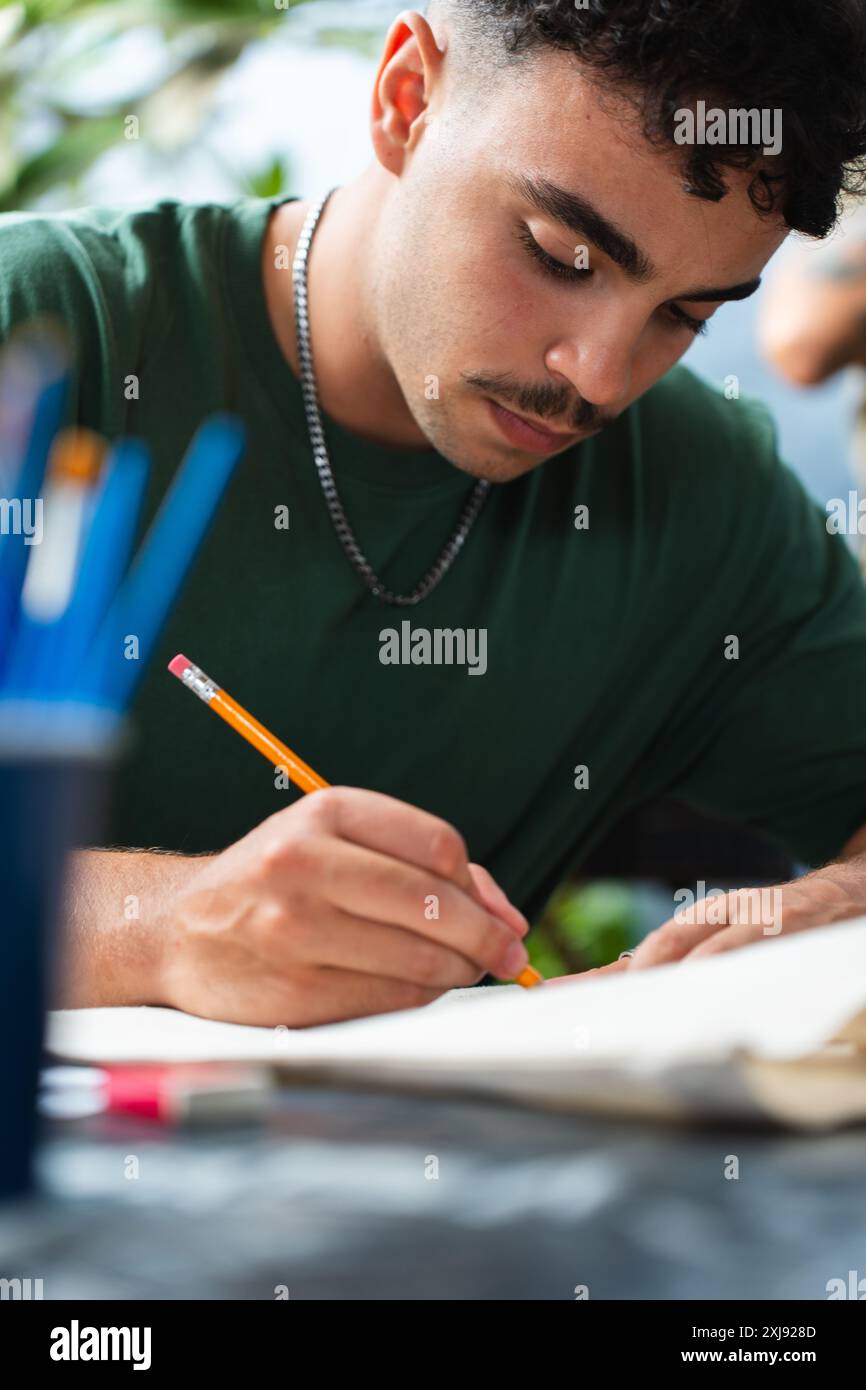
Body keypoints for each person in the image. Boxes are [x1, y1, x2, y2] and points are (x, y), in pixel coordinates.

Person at [3, 0, 866, 1026]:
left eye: (685, 314)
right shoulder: (47, 337)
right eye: (559, 254)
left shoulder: (698, 491)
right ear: (406, 97)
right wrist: (161, 922)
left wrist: (844, 902)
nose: (595, 377)